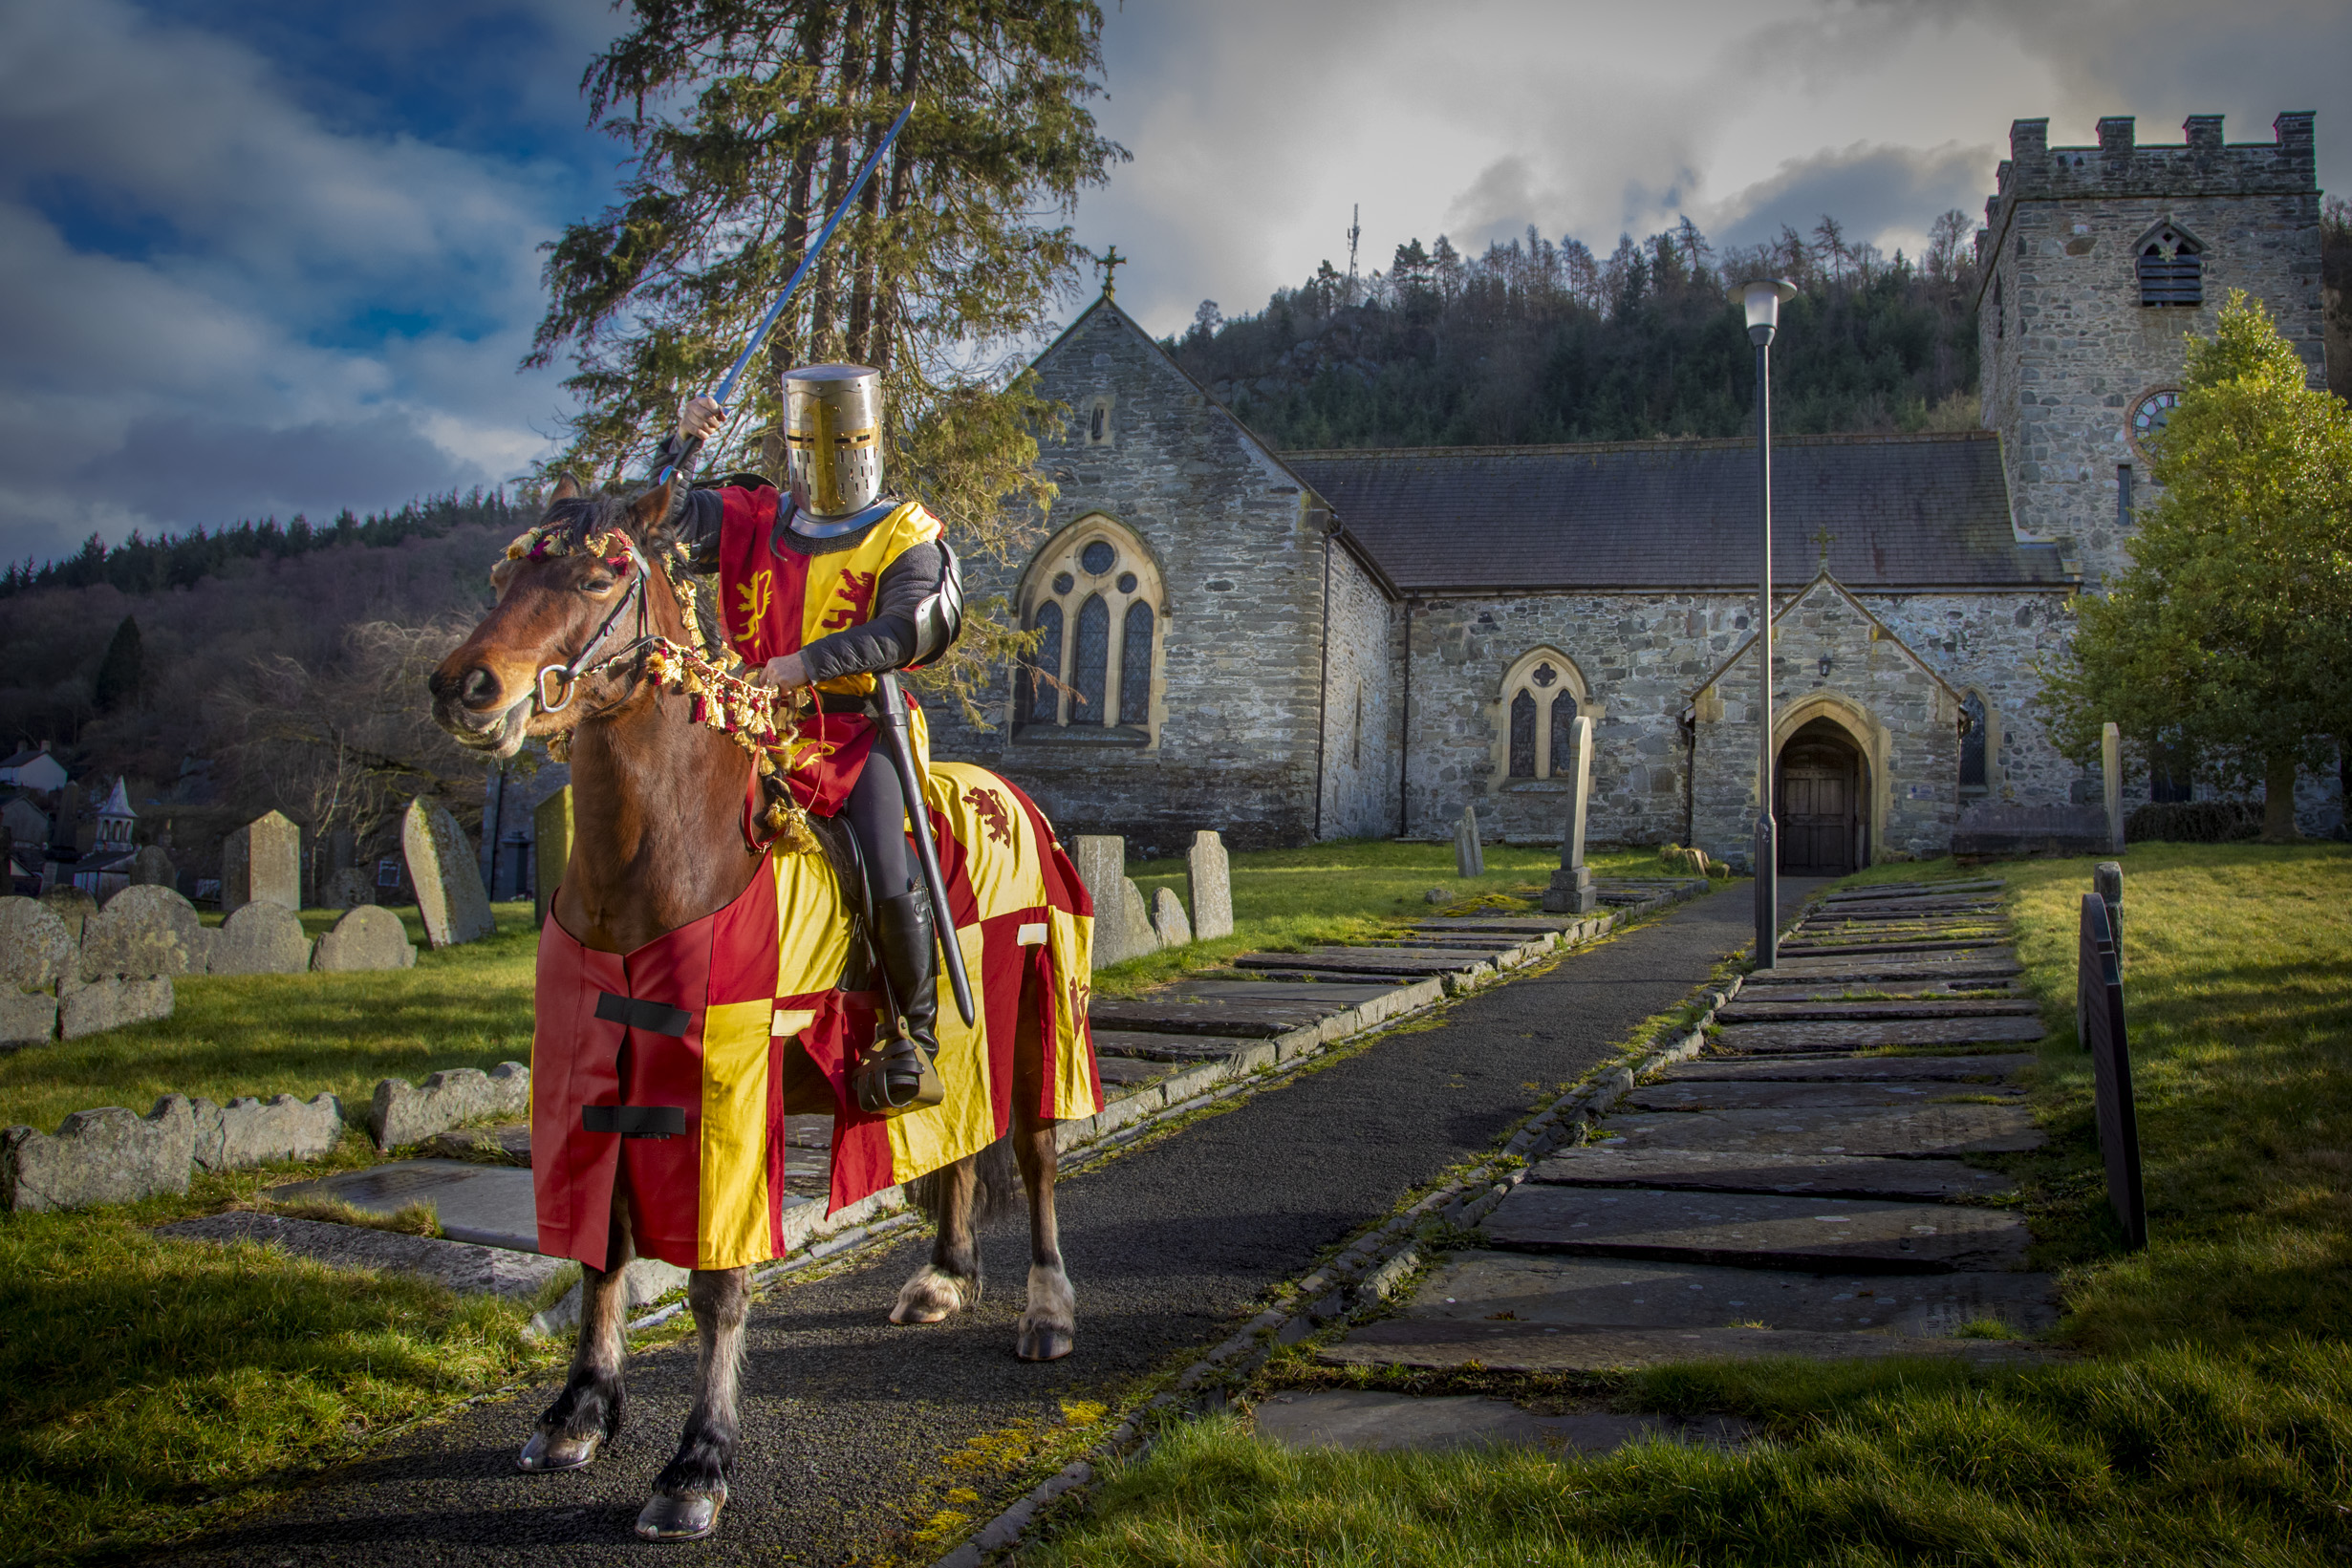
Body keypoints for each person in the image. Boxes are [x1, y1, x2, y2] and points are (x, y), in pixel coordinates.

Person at [657, 364, 961, 1112]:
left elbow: (913, 627)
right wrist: (679, 448)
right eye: (812, 440)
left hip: (856, 729)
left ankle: (912, 1038)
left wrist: (803, 664)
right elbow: (650, 525)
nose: (829, 456)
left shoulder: (906, 532)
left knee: (884, 860)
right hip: (751, 721)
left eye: (844, 439)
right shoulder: (752, 514)